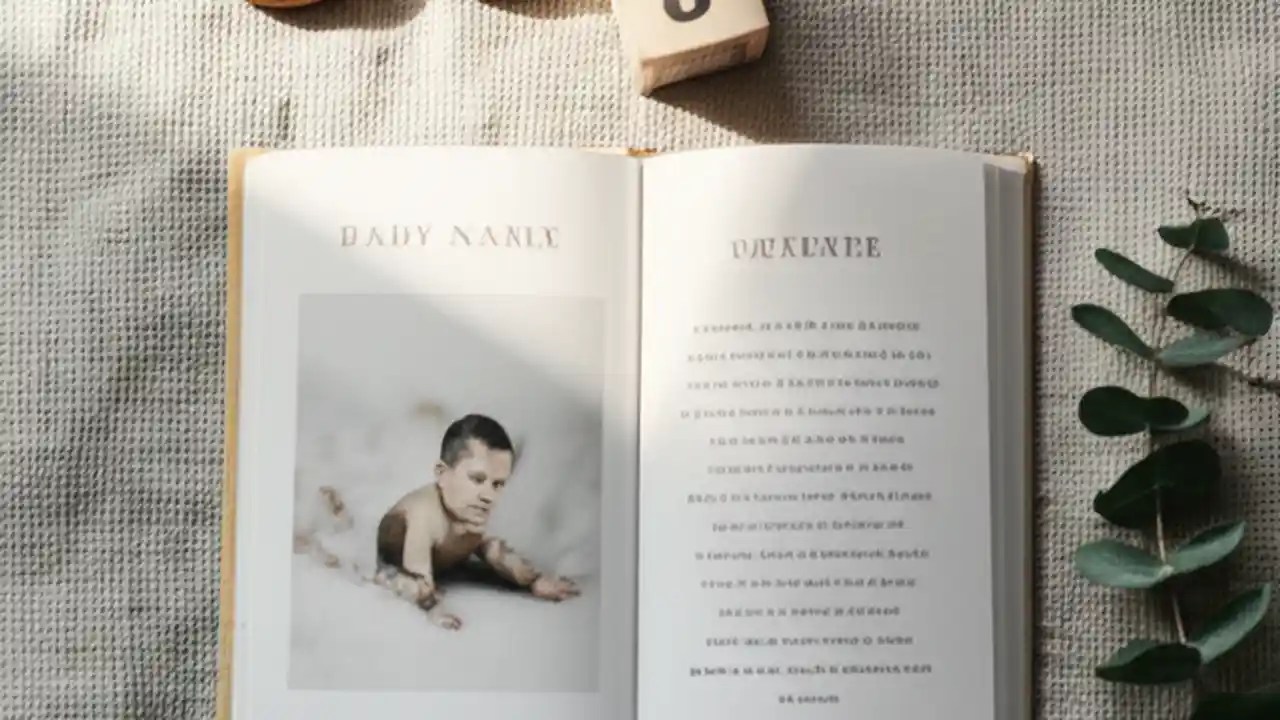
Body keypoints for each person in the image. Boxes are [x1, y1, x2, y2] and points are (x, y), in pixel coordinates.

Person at [374, 413, 579, 630]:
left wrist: (534, 581)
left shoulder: (470, 512)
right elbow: (421, 581)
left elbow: (497, 552)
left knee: (492, 548)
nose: (488, 496)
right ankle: (385, 578)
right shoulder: (423, 514)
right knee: (410, 585)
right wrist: (434, 609)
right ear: (442, 475)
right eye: (477, 480)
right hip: (402, 560)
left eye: (498, 484)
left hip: (446, 558)